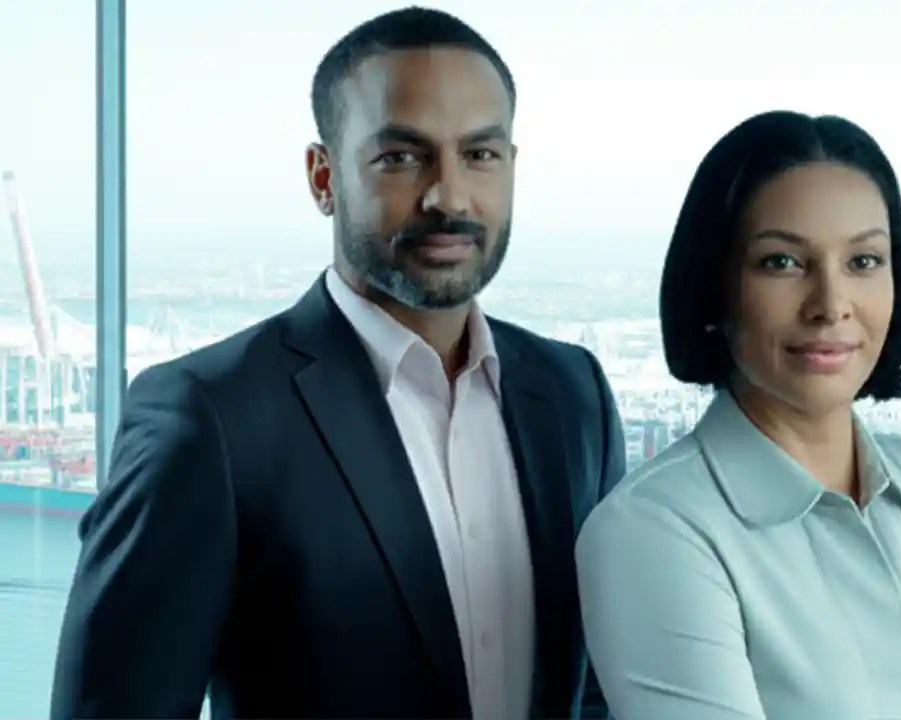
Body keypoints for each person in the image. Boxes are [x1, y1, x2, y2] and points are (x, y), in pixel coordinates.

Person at [51, 7, 623, 719]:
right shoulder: (210, 417)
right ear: (323, 178)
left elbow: (602, 683)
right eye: (401, 157)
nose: (448, 195)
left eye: (479, 154)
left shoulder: (574, 396)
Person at [575, 110, 901, 719]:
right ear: (714, 287)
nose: (831, 304)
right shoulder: (654, 529)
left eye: (864, 261)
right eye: (782, 263)